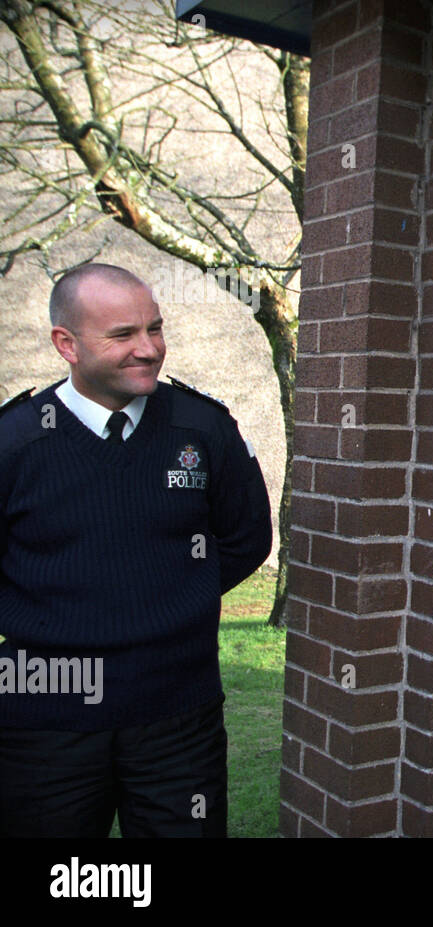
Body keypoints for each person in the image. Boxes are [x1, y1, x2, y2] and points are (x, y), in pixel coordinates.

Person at [0, 262, 272, 837]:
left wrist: (169, 594)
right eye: (123, 335)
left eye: (155, 328)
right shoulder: (15, 440)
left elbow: (246, 537)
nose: (149, 349)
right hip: (46, 719)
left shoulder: (202, 428)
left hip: (179, 714)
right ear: (66, 344)